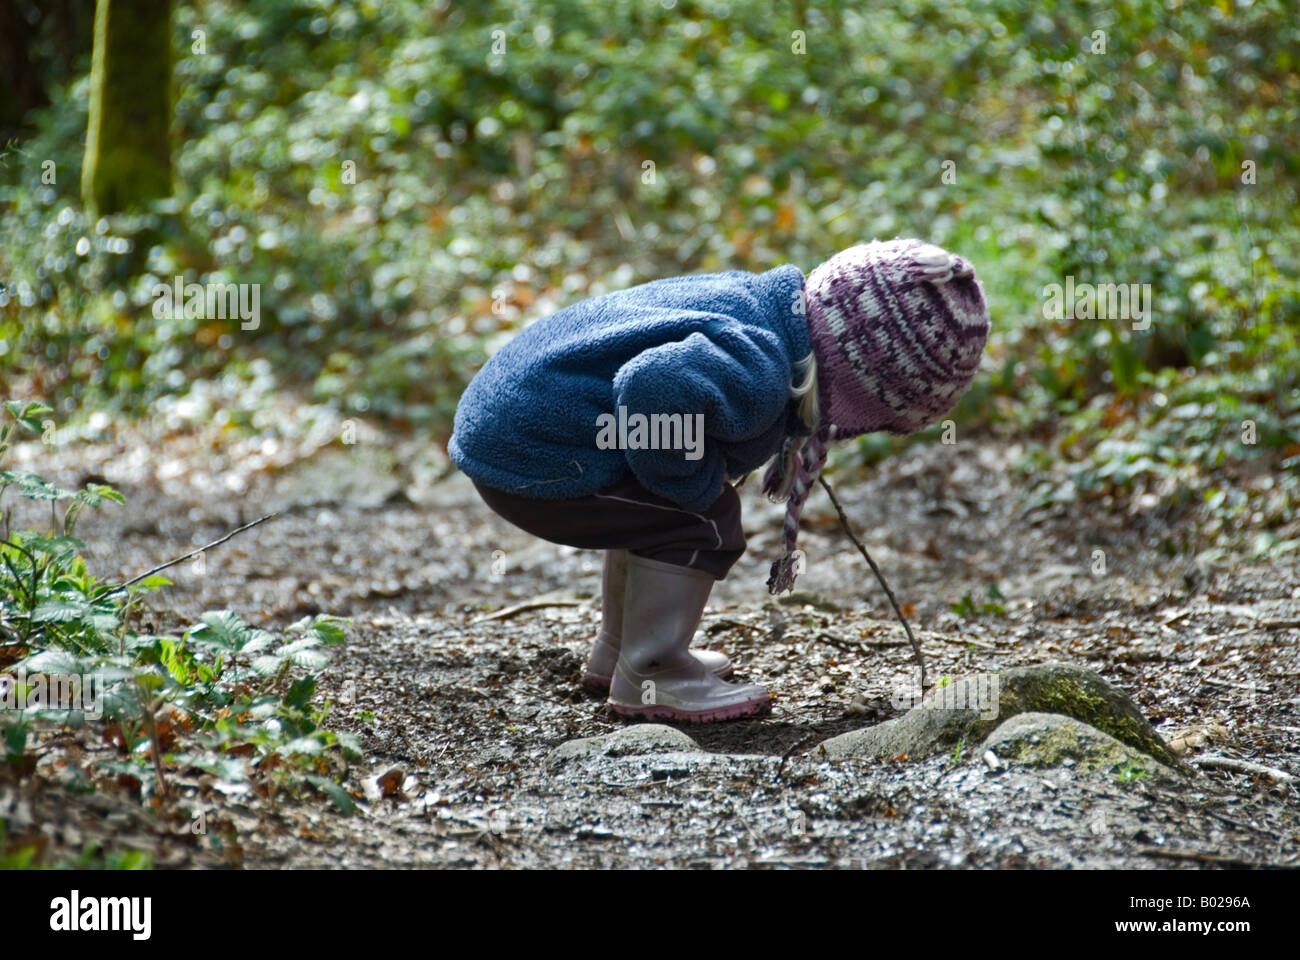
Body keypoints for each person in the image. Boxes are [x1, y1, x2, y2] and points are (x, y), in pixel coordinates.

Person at [450, 238, 990, 723]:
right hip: (534, 453)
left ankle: (619, 649)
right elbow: (651, 385)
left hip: (511, 423)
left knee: (662, 503)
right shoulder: (758, 371)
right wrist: (693, 489)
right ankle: (652, 672)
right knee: (701, 516)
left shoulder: (760, 309)